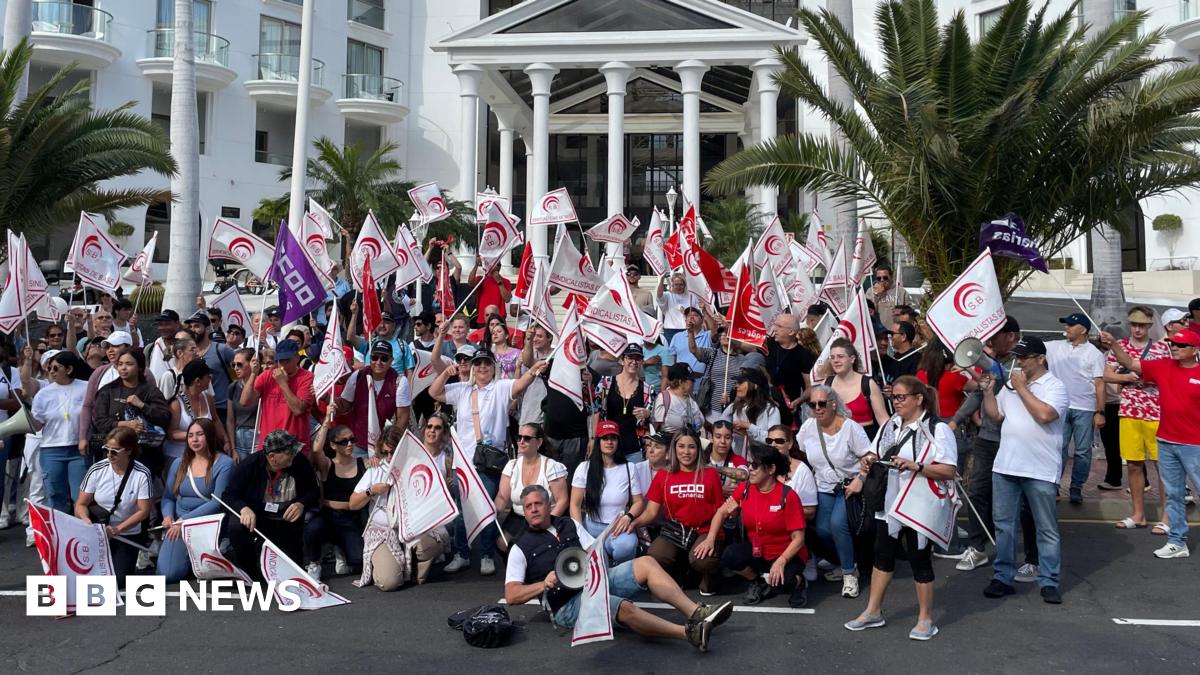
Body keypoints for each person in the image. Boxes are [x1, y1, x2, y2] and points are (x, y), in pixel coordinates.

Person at [505, 484, 733, 651]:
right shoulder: (520, 546)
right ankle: (689, 633)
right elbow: (512, 595)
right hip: (566, 603)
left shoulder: (568, 524)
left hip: (593, 581)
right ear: (523, 511)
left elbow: (592, 550)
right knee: (623, 608)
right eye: (528, 506)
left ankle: (697, 612)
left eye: (538, 504)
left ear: (549, 505)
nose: (534, 509)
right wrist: (542, 585)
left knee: (646, 563)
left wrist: (592, 563)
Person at [846, 376, 957, 639]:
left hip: (919, 505)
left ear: (919, 398)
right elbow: (874, 454)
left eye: (901, 397)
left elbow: (949, 470)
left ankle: (925, 620)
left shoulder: (937, 429)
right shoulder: (889, 426)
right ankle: (873, 612)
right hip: (890, 503)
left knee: (919, 560)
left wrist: (916, 466)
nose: (895, 402)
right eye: (893, 397)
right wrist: (867, 464)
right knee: (882, 556)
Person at [430, 346, 546, 575]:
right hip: (464, 462)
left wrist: (533, 369)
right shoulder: (463, 389)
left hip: (490, 461)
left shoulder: (501, 388)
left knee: (489, 508)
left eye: (487, 363)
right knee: (463, 511)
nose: (482, 367)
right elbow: (434, 393)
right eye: (478, 363)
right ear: (473, 367)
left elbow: (521, 384)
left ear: (494, 367)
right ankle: (461, 554)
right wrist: (446, 373)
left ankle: (486, 554)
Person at [979, 336, 1069, 603]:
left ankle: (1049, 580)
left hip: (1040, 469)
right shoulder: (1011, 385)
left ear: (1040, 359)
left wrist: (1022, 388)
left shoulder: (1055, 386)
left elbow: (1045, 415)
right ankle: (1002, 576)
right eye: (1017, 357)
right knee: (1004, 525)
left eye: (1024, 358)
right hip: (1007, 465)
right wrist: (987, 391)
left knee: (1046, 527)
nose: (1019, 362)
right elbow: (996, 416)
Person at [1103, 328, 1200, 559]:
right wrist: (1114, 345)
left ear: (1194, 350)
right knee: (1175, 494)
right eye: (1173, 344)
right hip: (1166, 441)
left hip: (1195, 445)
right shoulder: (1162, 366)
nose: (1174, 348)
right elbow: (1129, 362)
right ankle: (1177, 541)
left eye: (1180, 345)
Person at [945, 316, 1020, 570]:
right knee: (977, 491)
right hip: (987, 439)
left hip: (1013, 441)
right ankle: (977, 547)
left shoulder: (1022, 364)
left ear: (1010, 336)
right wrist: (955, 421)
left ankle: (1017, 552)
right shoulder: (993, 365)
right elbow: (978, 394)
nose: (989, 341)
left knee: (1009, 497)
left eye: (995, 335)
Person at [698, 442, 808, 607]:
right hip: (759, 551)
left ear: (771, 469)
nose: (750, 469)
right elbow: (721, 512)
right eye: (750, 464)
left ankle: (800, 582)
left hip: (786, 554)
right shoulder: (745, 488)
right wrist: (710, 539)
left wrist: (781, 561)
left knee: (782, 584)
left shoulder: (788, 496)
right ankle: (757, 581)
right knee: (729, 556)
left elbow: (799, 538)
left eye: (756, 465)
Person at [350, 425, 448, 590]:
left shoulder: (414, 468)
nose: (389, 457)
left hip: (411, 527)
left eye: (393, 452)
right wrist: (371, 490)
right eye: (385, 452)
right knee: (390, 583)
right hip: (383, 531)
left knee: (435, 542)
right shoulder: (375, 471)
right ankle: (384, 566)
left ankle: (414, 568)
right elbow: (353, 503)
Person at [797, 384, 872, 598]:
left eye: (822, 403)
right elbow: (801, 452)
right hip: (823, 485)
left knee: (838, 524)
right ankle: (847, 560)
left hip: (849, 485)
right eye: (813, 404)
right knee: (822, 530)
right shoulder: (808, 427)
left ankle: (849, 574)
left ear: (833, 403)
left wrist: (861, 478)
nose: (817, 408)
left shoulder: (851, 428)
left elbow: (868, 457)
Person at [632, 430, 723, 594]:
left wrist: (711, 539)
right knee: (655, 556)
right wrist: (632, 522)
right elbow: (651, 512)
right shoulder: (663, 476)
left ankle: (708, 576)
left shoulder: (710, 475)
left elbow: (719, 511)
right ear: (674, 449)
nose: (686, 452)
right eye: (681, 446)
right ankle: (681, 570)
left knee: (702, 561)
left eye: (691, 447)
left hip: (705, 530)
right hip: (677, 532)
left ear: (698, 450)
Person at [1104, 307, 1171, 530]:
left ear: (1150, 326)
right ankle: (1138, 514)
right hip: (1129, 410)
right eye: (1134, 324)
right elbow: (1106, 374)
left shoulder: (1162, 349)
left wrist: (1141, 375)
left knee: (1162, 465)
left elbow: (1165, 376)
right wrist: (1125, 377)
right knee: (1133, 464)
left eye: (1142, 325)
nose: (1138, 329)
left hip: (1156, 412)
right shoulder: (1120, 346)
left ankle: (1167, 517)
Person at [223, 430, 320, 578]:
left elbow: (314, 491)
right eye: (290, 452)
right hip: (258, 517)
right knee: (236, 525)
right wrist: (243, 508)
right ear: (272, 456)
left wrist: (301, 504)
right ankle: (248, 572)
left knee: (291, 572)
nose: (294, 454)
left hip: (287, 520)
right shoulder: (249, 465)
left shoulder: (299, 461)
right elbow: (229, 495)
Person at [157, 419, 235, 582]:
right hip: (178, 524)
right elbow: (168, 497)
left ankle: (217, 549)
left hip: (207, 523)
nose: (194, 439)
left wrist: (184, 521)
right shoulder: (179, 463)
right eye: (191, 435)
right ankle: (190, 561)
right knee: (167, 574)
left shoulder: (224, 464)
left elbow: (218, 502)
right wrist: (168, 516)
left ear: (210, 436)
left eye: (200, 434)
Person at [74, 427, 153, 581]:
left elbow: (144, 510)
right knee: (87, 574)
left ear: (129, 451)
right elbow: (81, 504)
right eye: (106, 450)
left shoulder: (142, 474)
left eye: (115, 451)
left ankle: (133, 556)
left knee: (119, 579)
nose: (109, 455)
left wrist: (117, 529)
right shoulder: (97, 469)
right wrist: (86, 520)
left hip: (126, 533)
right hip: (98, 530)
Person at [1045, 312, 1106, 503]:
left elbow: (1100, 384)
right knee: (1059, 448)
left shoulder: (1094, 354)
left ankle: (1076, 487)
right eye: (1067, 324)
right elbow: (1030, 346)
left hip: (1085, 408)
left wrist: (1100, 412)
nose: (1067, 328)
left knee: (1082, 451)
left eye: (1071, 325)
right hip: (1060, 407)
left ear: (1083, 330)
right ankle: (1054, 485)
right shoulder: (1054, 347)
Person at [570, 421, 646, 564]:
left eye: (613, 438)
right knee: (596, 562)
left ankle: (619, 570)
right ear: (598, 441)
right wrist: (580, 533)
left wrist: (629, 516)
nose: (609, 442)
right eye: (605, 438)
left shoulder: (629, 468)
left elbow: (639, 502)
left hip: (618, 527)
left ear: (618, 441)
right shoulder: (584, 468)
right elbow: (574, 505)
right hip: (591, 527)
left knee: (626, 546)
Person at [89, 350, 171, 478]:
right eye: (120, 364)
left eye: (128, 364)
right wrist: (125, 424)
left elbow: (164, 417)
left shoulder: (151, 391)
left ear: (140, 367)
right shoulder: (108, 391)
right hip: (113, 453)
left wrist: (142, 406)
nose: (123, 368)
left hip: (145, 453)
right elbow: (99, 421)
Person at [30, 351, 92, 513]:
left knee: (80, 497)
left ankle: (80, 535)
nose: (51, 371)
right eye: (49, 368)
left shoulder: (85, 387)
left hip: (78, 450)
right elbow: (37, 426)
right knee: (55, 495)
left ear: (69, 369)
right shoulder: (43, 394)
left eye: (56, 368)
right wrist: (27, 415)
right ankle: (59, 536)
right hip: (51, 450)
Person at [306, 421, 366, 579]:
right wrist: (326, 419)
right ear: (333, 445)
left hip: (351, 519)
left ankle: (341, 549)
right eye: (343, 441)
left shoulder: (362, 463)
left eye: (352, 439)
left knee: (358, 562)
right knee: (313, 528)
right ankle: (314, 562)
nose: (349, 444)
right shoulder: (328, 465)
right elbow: (317, 449)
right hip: (329, 517)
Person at [494, 423, 568, 551]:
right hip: (518, 517)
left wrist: (547, 523)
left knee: (536, 548)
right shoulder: (511, 466)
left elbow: (563, 500)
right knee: (503, 543)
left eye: (527, 438)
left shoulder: (551, 466)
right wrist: (490, 512)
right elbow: (502, 497)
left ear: (538, 442)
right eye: (519, 437)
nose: (521, 441)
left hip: (546, 518)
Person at [337, 339, 411, 456]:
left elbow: (403, 418)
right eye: (375, 357)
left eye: (384, 359)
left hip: (383, 447)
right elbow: (343, 405)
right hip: (357, 444)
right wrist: (325, 396)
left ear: (391, 360)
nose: (378, 362)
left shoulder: (400, 382)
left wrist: (388, 446)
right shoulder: (358, 376)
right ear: (369, 358)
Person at [241, 339, 316, 453]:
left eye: (287, 360)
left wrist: (282, 384)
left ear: (297, 357)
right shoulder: (267, 375)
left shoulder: (307, 377)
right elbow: (244, 402)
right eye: (280, 361)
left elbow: (298, 409)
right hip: (269, 446)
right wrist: (253, 374)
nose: (283, 365)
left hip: (294, 446)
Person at [817, 339, 889, 441]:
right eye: (832, 357)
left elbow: (883, 419)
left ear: (852, 359)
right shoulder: (826, 384)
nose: (835, 360)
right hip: (837, 440)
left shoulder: (867, 384)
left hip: (866, 439)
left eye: (840, 356)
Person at [595, 344, 655, 459]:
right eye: (630, 357)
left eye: (638, 358)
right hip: (608, 446)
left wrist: (647, 413)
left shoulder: (648, 389)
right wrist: (593, 439)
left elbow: (653, 418)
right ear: (622, 359)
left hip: (634, 448)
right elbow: (596, 412)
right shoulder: (605, 383)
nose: (634, 362)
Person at [184, 311, 236, 424]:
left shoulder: (222, 350)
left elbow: (238, 373)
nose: (193, 329)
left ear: (207, 328)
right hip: (198, 409)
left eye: (197, 326)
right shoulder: (187, 354)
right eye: (190, 326)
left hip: (221, 408)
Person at [765, 313, 816, 423]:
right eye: (775, 325)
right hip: (765, 406)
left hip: (787, 410)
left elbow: (810, 386)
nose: (774, 329)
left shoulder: (804, 355)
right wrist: (729, 329)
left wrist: (798, 401)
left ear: (791, 332)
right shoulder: (768, 344)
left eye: (779, 326)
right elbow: (744, 345)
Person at [722, 368, 781, 456]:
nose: (737, 386)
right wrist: (731, 429)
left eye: (741, 382)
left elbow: (774, 439)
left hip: (761, 461)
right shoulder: (734, 406)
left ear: (755, 385)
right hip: (738, 459)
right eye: (737, 383)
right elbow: (721, 425)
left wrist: (749, 427)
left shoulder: (770, 409)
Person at [916, 338, 971, 421]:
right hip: (951, 422)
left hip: (926, 420)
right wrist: (968, 368)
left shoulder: (920, 374)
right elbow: (980, 386)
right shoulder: (954, 377)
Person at [226, 348, 259, 461]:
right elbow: (230, 420)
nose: (235, 368)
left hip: (257, 436)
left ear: (252, 364)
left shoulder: (261, 384)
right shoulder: (233, 387)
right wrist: (233, 448)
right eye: (233, 364)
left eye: (239, 364)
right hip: (239, 438)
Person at [653, 364, 704, 435]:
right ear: (680, 382)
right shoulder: (663, 398)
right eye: (691, 379)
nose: (694, 382)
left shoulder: (690, 399)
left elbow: (699, 422)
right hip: (669, 443)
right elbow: (653, 427)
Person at [669, 307, 711, 391]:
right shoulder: (677, 337)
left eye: (695, 315)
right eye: (688, 316)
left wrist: (705, 311)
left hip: (701, 386)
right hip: (681, 384)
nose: (691, 317)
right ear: (685, 321)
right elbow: (672, 362)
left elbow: (715, 330)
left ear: (702, 320)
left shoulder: (708, 336)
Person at [482, 313, 521, 379]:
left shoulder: (517, 353)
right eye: (493, 333)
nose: (495, 334)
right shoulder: (489, 355)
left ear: (506, 335)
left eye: (499, 331)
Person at [660, 273, 691, 343]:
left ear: (684, 285)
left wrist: (686, 313)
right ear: (672, 285)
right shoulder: (668, 295)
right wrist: (661, 280)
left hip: (686, 329)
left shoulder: (690, 297)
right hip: (670, 330)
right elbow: (659, 295)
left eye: (681, 284)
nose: (678, 287)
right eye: (676, 284)